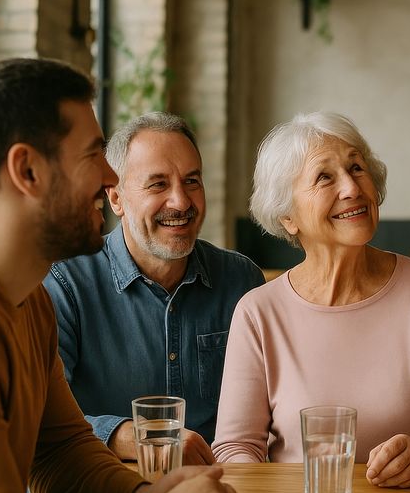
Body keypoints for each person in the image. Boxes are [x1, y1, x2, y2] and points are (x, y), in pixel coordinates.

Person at [0, 57, 240, 493]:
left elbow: (62, 452)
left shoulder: (28, 300)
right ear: (28, 171)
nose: (111, 178)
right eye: (92, 155)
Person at [212, 112, 410, 487]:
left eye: (356, 167)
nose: (352, 188)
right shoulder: (258, 313)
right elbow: (235, 447)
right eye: (324, 177)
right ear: (288, 217)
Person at [43, 112, 265, 466]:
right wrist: (134, 437)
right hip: (105, 488)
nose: (181, 201)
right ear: (116, 199)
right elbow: (41, 417)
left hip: (219, 486)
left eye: (192, 181)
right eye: (158, 184)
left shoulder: (241, 281)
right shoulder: (65, 283)